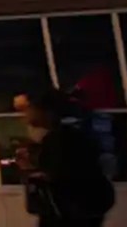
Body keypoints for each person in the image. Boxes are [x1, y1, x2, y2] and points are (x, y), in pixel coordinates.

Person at [16, 89, 115, 227]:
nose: (26, 114)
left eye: (30, 109)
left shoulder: (60, 139)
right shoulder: (73, 134)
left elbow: (60, 172)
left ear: (45, 111)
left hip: (69, 209)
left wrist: (33, 170)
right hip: (81, 206)